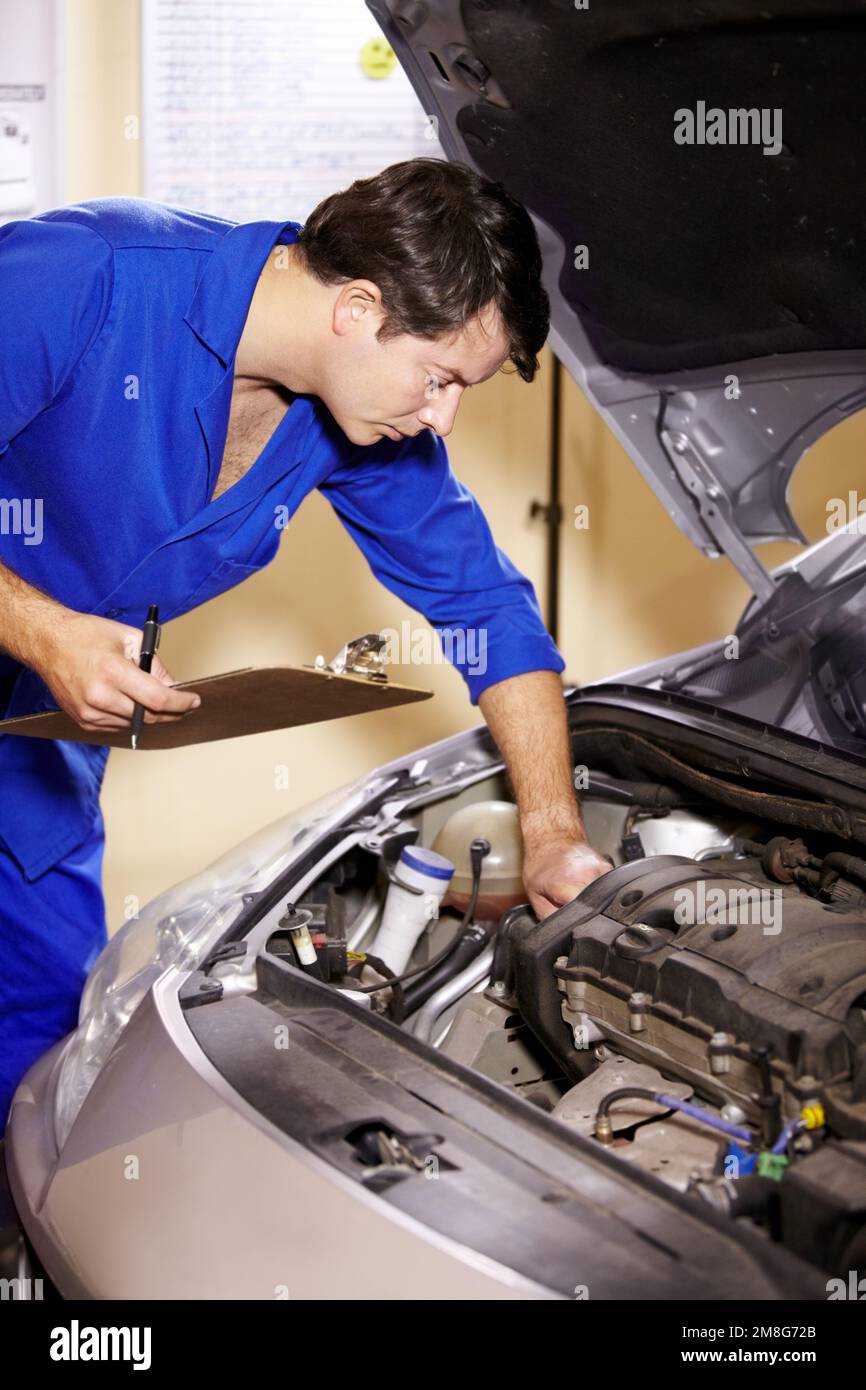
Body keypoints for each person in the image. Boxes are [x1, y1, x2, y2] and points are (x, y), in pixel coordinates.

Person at [0, 157, 609, 1133]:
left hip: (37, 739)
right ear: (359, 307)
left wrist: (551, 832)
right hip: (41, 656)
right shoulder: (86, 275)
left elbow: (483, 605)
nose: (439, 415)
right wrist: (41, 627)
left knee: (42, 1033)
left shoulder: (355, 423)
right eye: (440, 378)